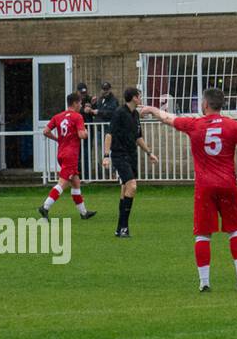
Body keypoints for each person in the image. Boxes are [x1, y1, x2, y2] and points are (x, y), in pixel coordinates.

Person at [141, 88, 237, 292]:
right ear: (221, 105)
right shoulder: (233, 126)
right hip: (227, 185)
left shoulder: (194, 124)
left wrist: (152, 109)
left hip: (205, 187)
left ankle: (204, 282)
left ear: (205, 104)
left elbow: (169, 118)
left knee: (203, 234)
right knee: (235, 229)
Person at [104, 86, 157, 238]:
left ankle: (119, 228)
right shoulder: (119, 113)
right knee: (132, 186)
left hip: (131, 155)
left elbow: (138, 137)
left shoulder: (135, 115)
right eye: (139, 96)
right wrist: (106, 155)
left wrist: (149, 153)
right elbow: (109, 134)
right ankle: (124, 227)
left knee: (125, 189)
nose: (140, 98)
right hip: (120, 156)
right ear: (134, 97)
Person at [38, 92, 97, 221]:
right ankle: (45, 207)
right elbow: (82, 135)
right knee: (63, 183)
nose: (81, 105)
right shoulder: (77, 117)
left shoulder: (58, 116)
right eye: (80, 103)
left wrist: (57, 139)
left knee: (75, 182)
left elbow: (45, 131)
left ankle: (83, 213)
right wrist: (86, 131)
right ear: (75, 103)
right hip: (71, 154)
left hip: (61, 153)